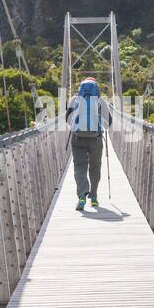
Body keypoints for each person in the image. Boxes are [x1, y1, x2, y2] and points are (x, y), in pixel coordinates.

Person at [66, 76, 112, 210]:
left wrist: (77, 127)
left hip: (77, 138)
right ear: (96, 88)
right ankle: (94, 197)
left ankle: (81, 196)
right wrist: (99, 125)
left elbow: (67, 119)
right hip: (95, 139)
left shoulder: (74, 99)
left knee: (80, 167)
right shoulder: (100, 101)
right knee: (95, 167)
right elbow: (109, 123)